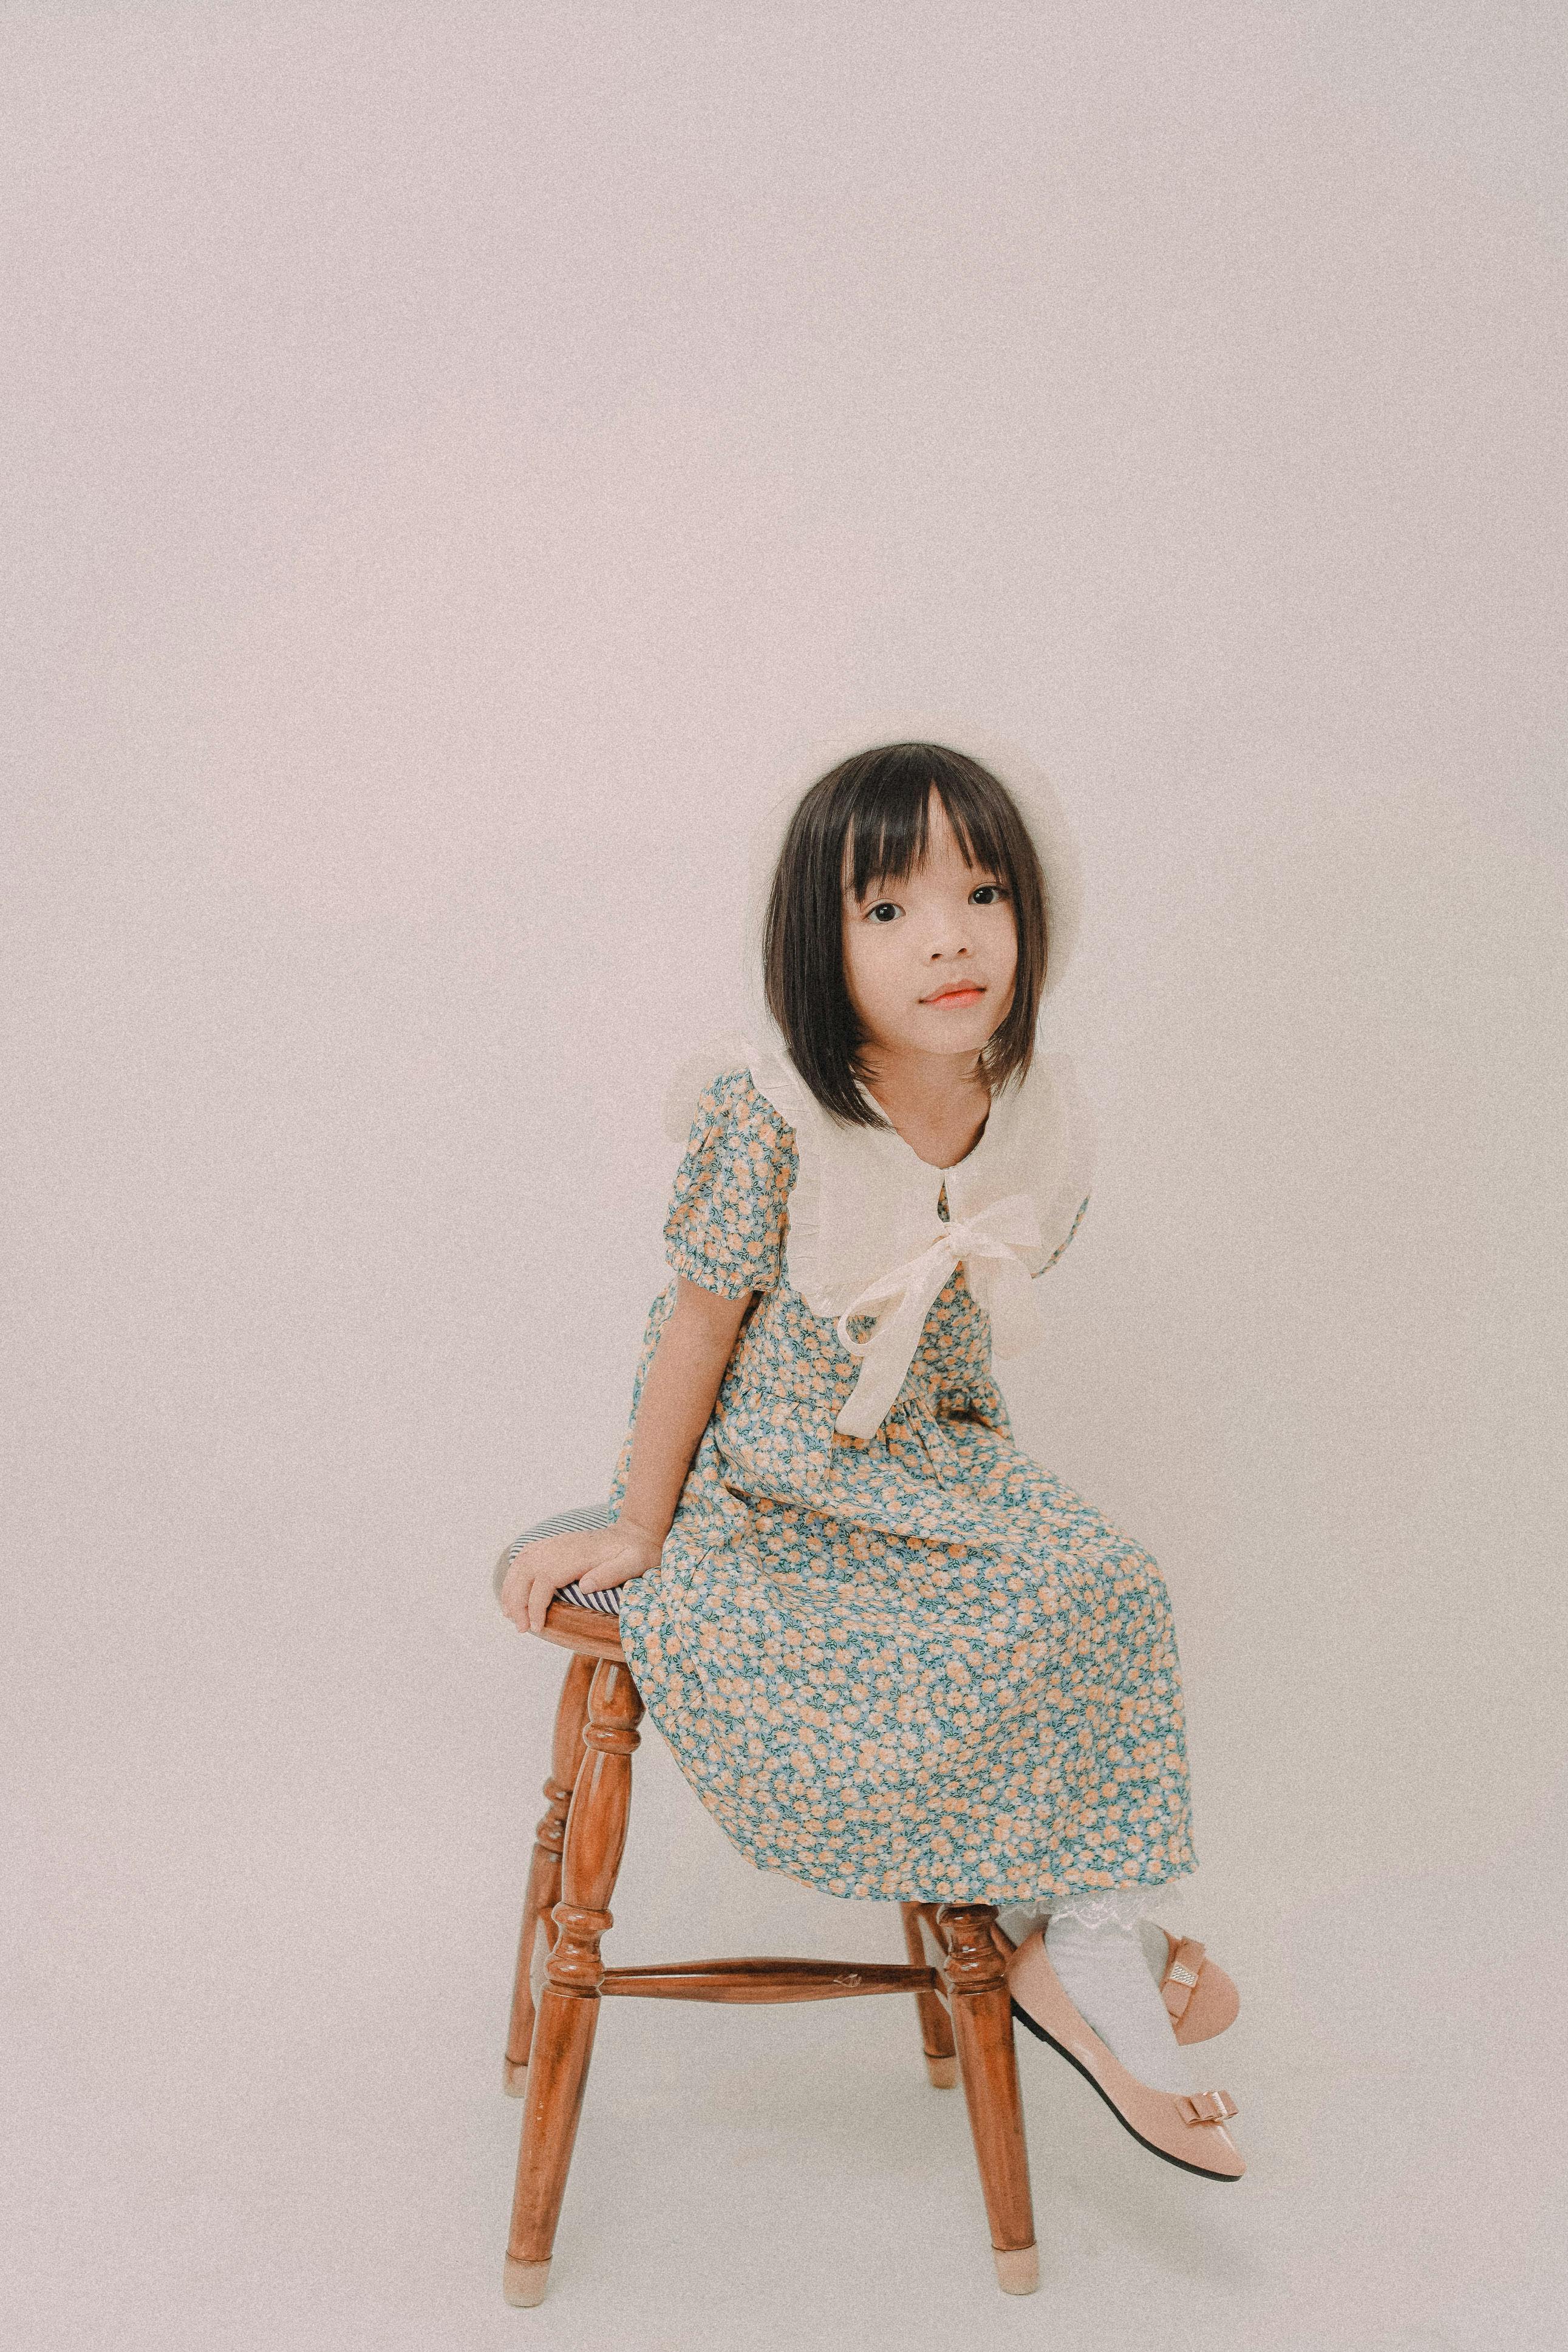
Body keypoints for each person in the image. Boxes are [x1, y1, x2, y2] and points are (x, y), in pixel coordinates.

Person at [498, 740, 1243, 2180]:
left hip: (930, 1460)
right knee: (863, 1657)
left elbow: (962, 1343)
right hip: (764, 1475)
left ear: (1035, 915)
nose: (949, 936)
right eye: (887, 908)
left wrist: (975, 1491)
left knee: (1103, 1579)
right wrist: (640, 1524)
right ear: (817, 942)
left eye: (982, 891)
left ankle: (1081, 1928)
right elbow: (696, 1328)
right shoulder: (769, 1110)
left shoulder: (1034, 1107)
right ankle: (1065, 1932)